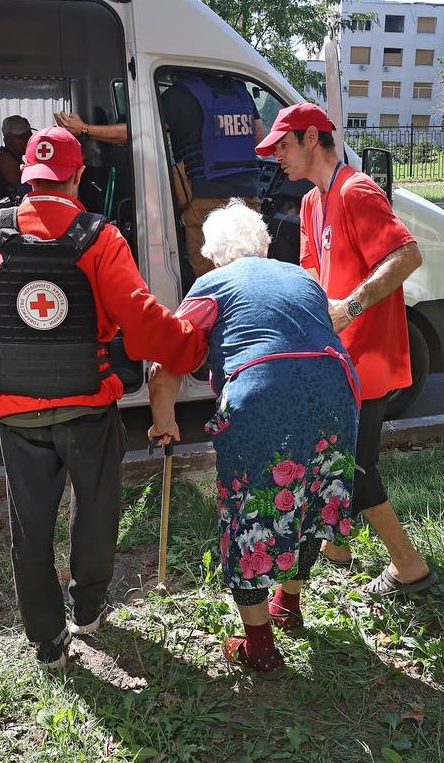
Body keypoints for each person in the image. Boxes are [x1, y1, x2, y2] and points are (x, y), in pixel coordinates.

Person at [0, 127, 206, 669]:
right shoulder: (99, 238)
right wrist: (189, 345)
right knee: (95, 510)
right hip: (86, 406)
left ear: (27, 172)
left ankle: (46, 639)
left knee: (29, 527)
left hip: (16, 409)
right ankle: (88, 609)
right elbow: (142, 322)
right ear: (77, 176)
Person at [148, 200, 358, 678]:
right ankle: (288, 604)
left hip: (260, 397)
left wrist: (164, 423)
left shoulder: (211, 285)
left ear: (213, 253)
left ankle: (258, 644)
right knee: (309, 499)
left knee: (252, 511)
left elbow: (170, 363)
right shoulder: (301, 276)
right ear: (262, 244)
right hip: (336, 393)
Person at [256, 103, 437, 597]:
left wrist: (351, 307)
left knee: (353, 468)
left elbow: (407, 255)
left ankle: (409, 567)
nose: (277, 159)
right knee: (333, 459)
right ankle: (339, 549)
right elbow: (314, 278)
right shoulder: (313, 202)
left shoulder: (357, 190)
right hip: (336, 359)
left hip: (370, 360)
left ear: (312, 138)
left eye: (283, 146)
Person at [160, 72, 265, 280]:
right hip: (248, 201)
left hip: (205, 201)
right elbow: (260, 142)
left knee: (210, 274)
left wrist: (87, 129)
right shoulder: (241, 91)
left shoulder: (177, 95)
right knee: (250, 270)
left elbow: (140, 134)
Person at [0, 115, 35, 198]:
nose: (28, 140)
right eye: (23, 137)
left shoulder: (16, 158)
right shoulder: (5, 158)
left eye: (30, 135)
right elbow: (22, 190)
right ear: (7, 139)